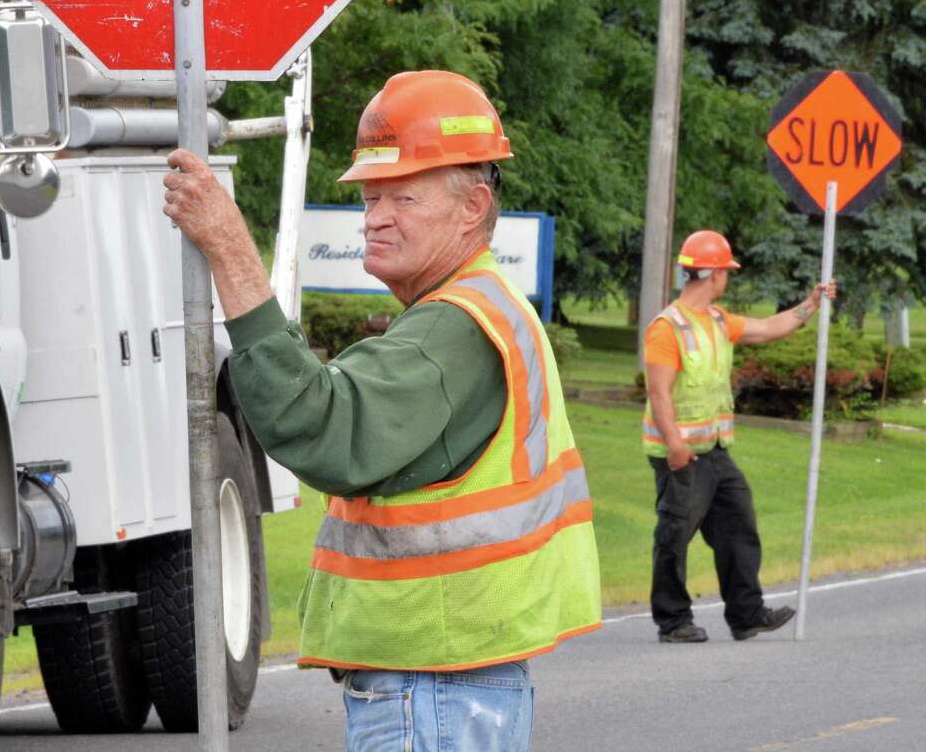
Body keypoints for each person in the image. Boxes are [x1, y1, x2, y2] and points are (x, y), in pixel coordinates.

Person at [163, 70, 600, 752]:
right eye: (370, 196)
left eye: (403, 194)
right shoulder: (486, 309)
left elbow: (320, 424)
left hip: (431, 690)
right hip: (459, 685)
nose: (375, 215)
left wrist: (229, 245)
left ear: (472, 206)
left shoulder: (448, 333)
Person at [643, 229, 837, 644]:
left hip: (714, 451)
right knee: (675, 537)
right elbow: (658, 393)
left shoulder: (716, 320)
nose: (728, 278)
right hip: (681, 455)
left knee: (738, 526)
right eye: (727, 271)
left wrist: (811, 304)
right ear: (712, 275)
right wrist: (675, 443)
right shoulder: (667, 327)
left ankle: (746, 615)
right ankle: (673, 621)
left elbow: (768, 328)